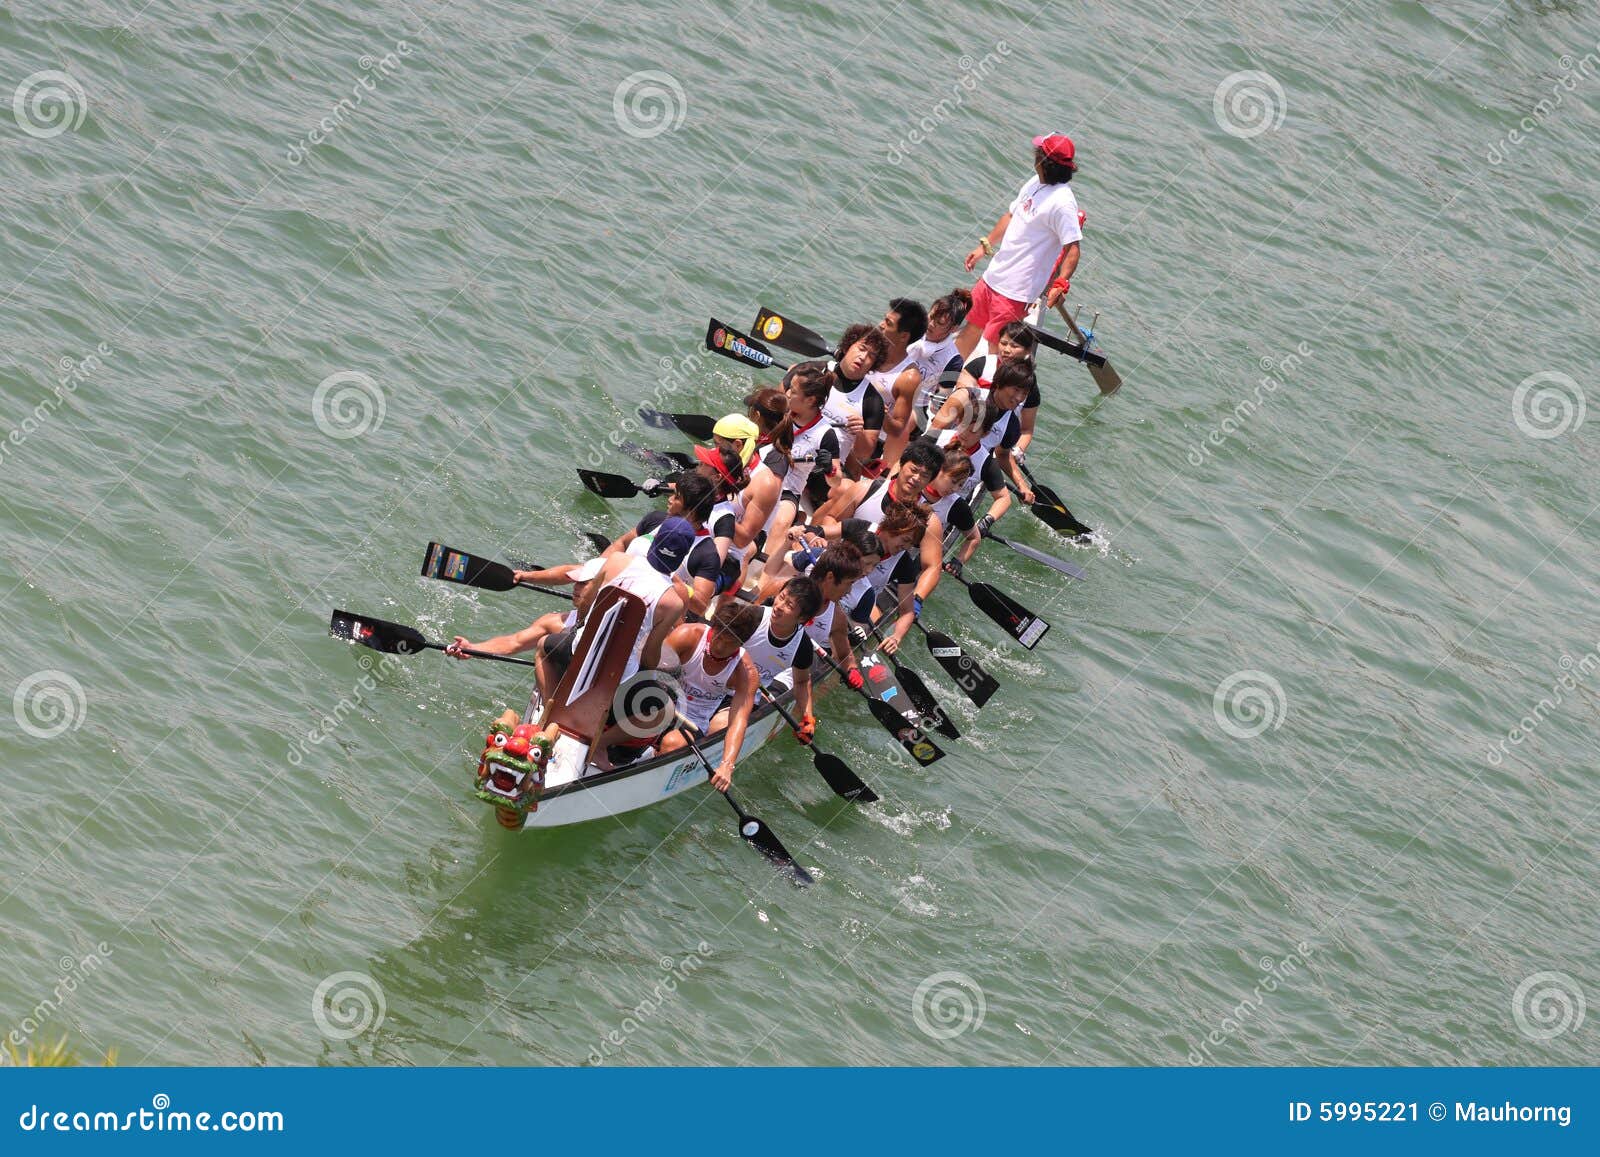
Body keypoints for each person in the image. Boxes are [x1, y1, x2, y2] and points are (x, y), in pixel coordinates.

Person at [956, 132, 1082, 360]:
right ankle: (944, 379)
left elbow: (1072, 248)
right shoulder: (1035, 182)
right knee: (970, 328)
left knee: (998, 348)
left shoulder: (1063, 203)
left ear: (1044, 161)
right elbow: (1010, 215)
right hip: (993, 276)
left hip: (1017, 290)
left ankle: (991, 389)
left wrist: (1061, 283)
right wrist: (984, 247)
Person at [447, 556, 608, 720]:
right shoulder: (554, 622)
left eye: (583, 583)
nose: (575, 587)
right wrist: (472, 649)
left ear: (601, 588)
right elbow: (514, 642)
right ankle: (550, 715)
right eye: (576, 582)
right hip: (559, 699)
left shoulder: (612, 625)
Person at [655, 602, 762, 790]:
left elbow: (739, 722)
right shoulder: (686, 636)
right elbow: (650, 674)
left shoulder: (745, 673)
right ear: (714, 626)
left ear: (742, 643)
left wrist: (727, 765)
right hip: (661, 705)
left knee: (673, 743)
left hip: (691, 724)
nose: (720, 646)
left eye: (730, 643)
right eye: (719, 637)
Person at [578, 516, 692, 681]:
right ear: (684, 554)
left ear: (655, 539)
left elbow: (585, 602)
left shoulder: (616, 560)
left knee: (544, 647)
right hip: (620, 675)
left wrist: (579, 626)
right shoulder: (674, 603)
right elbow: (649, 654)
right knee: (660, 703)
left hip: (580, 650)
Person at [606, 471, 726, 619]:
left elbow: (700, 606)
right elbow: (621, 544)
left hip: (646, 615)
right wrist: (596, 571)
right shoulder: (655, 519)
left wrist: (667, 575)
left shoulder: (706, 553)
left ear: (692, 511)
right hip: (610, 594)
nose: (669, 500)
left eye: (676, 497)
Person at [929, 358, 1037, 505]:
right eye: (1016, 390)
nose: (1019, 398)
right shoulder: (966, 397)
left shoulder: (1012, 427)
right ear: (999, 383)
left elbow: (1003, 456)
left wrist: (1021, 485)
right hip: (935, 469)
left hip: (963, 482)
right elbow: (933, 431)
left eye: (1024, 393)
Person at [741, 575, 824, 743]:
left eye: (789, 605)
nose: (778, 606)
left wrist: (808, 718)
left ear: (801, 618)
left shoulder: (802, 646)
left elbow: (801, 682)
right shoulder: (753, 617)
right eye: (781, 597)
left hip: (746, 697)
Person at [953, 320, 1042, 464]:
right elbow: (962, 399)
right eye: (1004, 343)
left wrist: (1018, 449)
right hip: (965, 430)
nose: (1006, 350)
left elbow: (1026, 430)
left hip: (996, 438)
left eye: (1014, 346)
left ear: (1027, 351)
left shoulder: (1030, 387)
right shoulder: (981, 365)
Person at [813, 325, 891, 478]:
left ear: (873, 364)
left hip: (828, 470)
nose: (863, 357)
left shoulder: (873, 401)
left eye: (871, 356)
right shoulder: (816, 371)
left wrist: (860, 433)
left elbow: (864, 454)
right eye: (862, 348)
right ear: (847, 346)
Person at [910, 288, 973, 432]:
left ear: (953, 328)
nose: (931, 324)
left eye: (939, 323)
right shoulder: (912, 329)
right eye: (931, 317)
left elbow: (939, 401)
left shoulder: (953, 360)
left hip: (915, 408)